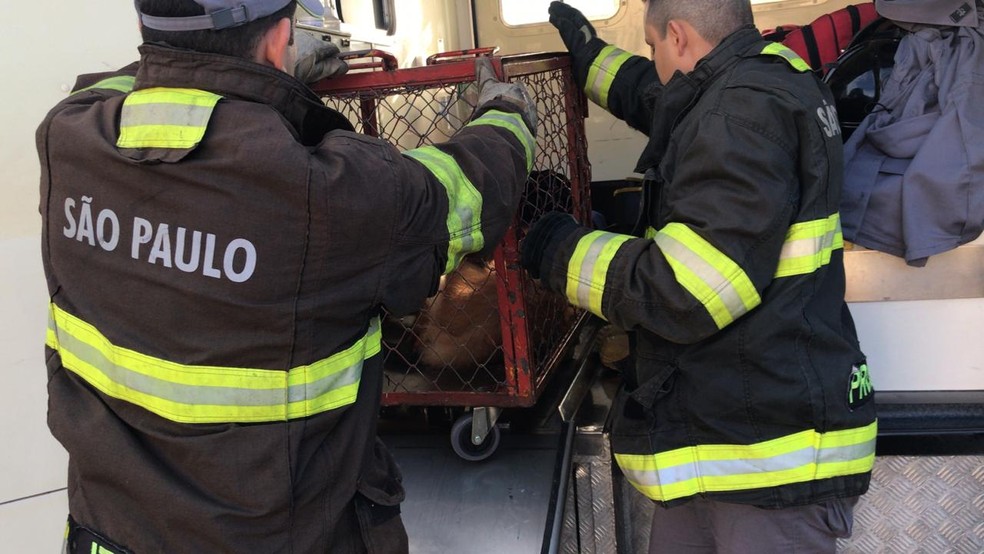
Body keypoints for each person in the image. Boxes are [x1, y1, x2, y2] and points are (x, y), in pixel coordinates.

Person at [36, 0, 537, 552]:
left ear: (141, 27)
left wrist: (249, 72)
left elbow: (130, 79)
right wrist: (508, 113)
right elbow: (471, 192)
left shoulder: (68, 135)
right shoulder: (328, 192)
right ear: (280, 38)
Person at [521, 1, 877, 552]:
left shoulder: (742, 114)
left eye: (651, 44)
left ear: (680, 37)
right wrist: (593, 59)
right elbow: (664, 97)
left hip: (764, 464)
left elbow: (688, 291)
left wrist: (557, 250)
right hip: (733, 430)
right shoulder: (761, 80)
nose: (651, 58)